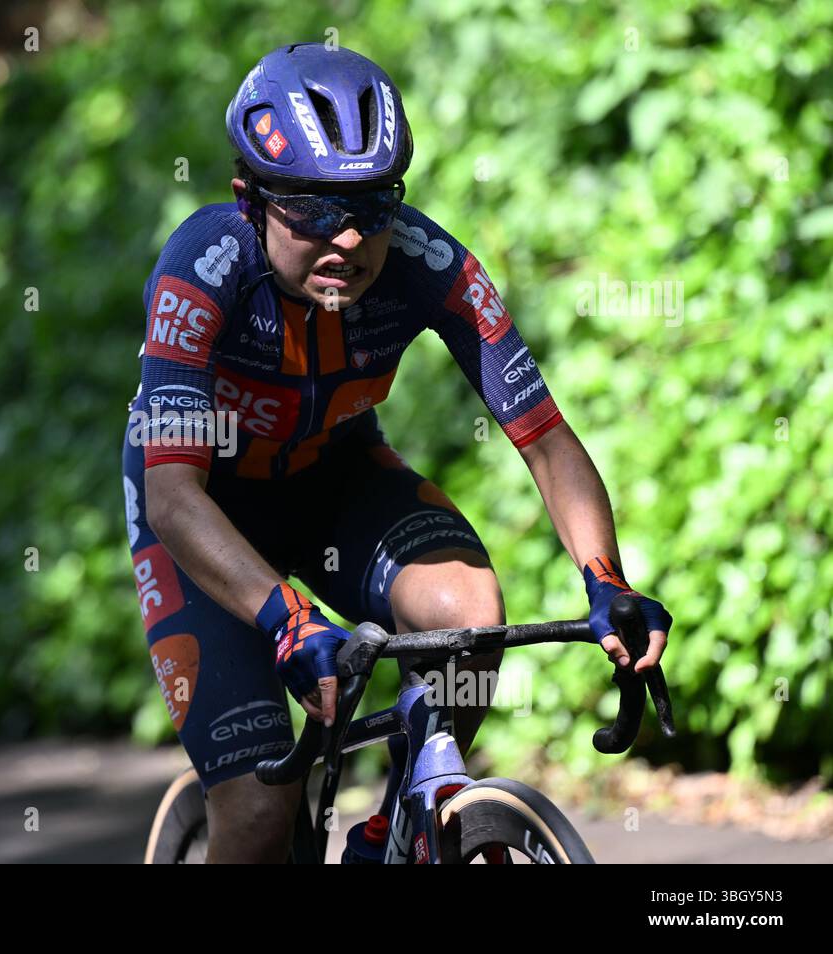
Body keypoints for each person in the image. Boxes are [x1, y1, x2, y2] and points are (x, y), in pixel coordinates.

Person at [121, 43, 671, 863]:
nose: (346, 236)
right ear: (251, 199)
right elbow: (172, 497)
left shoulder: (425, 262)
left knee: (470, 623)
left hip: (337, 482)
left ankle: (393, 834)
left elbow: (547, 439)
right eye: (311, 207)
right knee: (262, 810)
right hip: (207, 520)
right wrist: (285, 616)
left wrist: (609, 581)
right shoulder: (201, 270)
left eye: (372, 204)